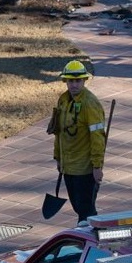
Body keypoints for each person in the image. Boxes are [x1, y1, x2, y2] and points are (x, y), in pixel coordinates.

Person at [49, 59, 108, 220]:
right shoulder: (63, 100)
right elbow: (58, 131)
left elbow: (97, 137)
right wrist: (58, 157)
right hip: (68, 167)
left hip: (84, 169)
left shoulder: (90, 104)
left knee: (86, 211)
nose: (74, 85)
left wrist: (97, 166)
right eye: (70, 81)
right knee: (78, 207)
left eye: (78, 81)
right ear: (65, 81)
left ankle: (89, 240)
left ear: (84, 81)